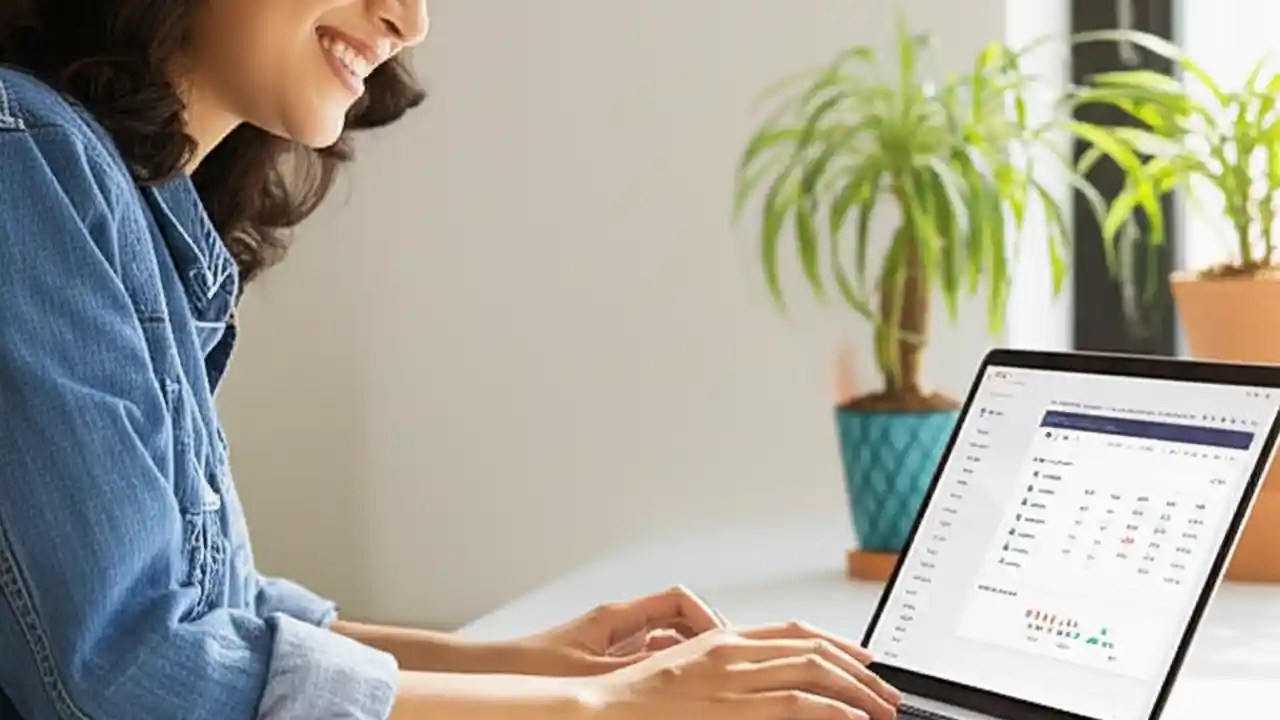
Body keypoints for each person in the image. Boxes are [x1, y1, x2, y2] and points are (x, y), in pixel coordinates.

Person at [0, 1, 902, 718]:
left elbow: (215, 612)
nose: (410, 19)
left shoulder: (111, 195)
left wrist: (533, 665)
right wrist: (611, 705)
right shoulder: (25, 156)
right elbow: (127, 668)